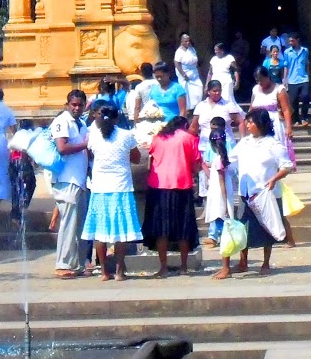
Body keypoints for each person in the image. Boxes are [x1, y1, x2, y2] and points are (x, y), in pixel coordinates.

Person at [218, 109, 293, 279]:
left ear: (261, 124)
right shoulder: (244, 143)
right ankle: (243, 261)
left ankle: (266, 262)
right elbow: (231, 160)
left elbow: (286, 166)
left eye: (251, 122)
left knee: (267, 227)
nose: (248, 125)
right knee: (243, 228)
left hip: (267, 192)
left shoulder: (273, 145)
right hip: (246, 192)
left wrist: (274, 179)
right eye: (248, 122)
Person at [81, 105, 142, 281]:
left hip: (100, 188)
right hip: (121, 187)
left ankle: (103, 273)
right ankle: (119, 271)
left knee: (100, 231)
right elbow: (136, 158)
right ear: (116, 119)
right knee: (121, 231)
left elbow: (90, 155)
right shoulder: (127, 135)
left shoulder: (93, 137)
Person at [144, 113, 202, 277]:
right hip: (181, 185)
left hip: (159, 186)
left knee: (161, 228)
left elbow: (151, 160)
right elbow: (196, 164)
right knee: (184, 227)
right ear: (184, 126)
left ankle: (163, 268)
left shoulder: (158, 138)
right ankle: (184, 267)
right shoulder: (188, 138)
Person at [50, 91, 91, 279]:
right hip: (67, 180)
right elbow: (62, 148)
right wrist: (85, 145)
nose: (76, 108)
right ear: (67, 104)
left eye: (80, 105)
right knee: (68, 224)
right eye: (73, 105)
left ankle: (77, 264)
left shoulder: (81, 123)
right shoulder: (62, 121)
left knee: (78, 225)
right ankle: (63, 264)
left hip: (80, 180)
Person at [202, 115, 236, 247]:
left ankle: (222, 236)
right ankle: (215, 235)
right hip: (217, 187)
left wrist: (224, 194)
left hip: (220, 189)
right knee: (217, 210)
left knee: (220, 211)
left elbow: (220, 177)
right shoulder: (220, 158)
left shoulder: (219, 159)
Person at [281, 34, 311, 128]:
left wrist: (308, 76)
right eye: (289, 41)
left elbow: (307, 63)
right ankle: (296, 119)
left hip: (303, 78)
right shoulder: (287, 52)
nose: (290, 43)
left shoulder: (305, 51)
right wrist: (285, 79)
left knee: (305, 96)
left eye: (292, 41)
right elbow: (286, 66)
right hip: (292, 79)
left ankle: (304, 117)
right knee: (293, 100)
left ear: (297, 40)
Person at [174, 34, 205, 113]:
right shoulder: (179, 51)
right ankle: (188, 109)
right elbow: (177, 63)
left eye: (189, 41)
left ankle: (196, 107)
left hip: (194, 73)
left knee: (199, 87)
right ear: (182, 41)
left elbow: (196, 62)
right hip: (185, 73)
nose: (188, 43)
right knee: (187, 92)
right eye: (186, 41)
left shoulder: (192, 49)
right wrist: (183, 74)